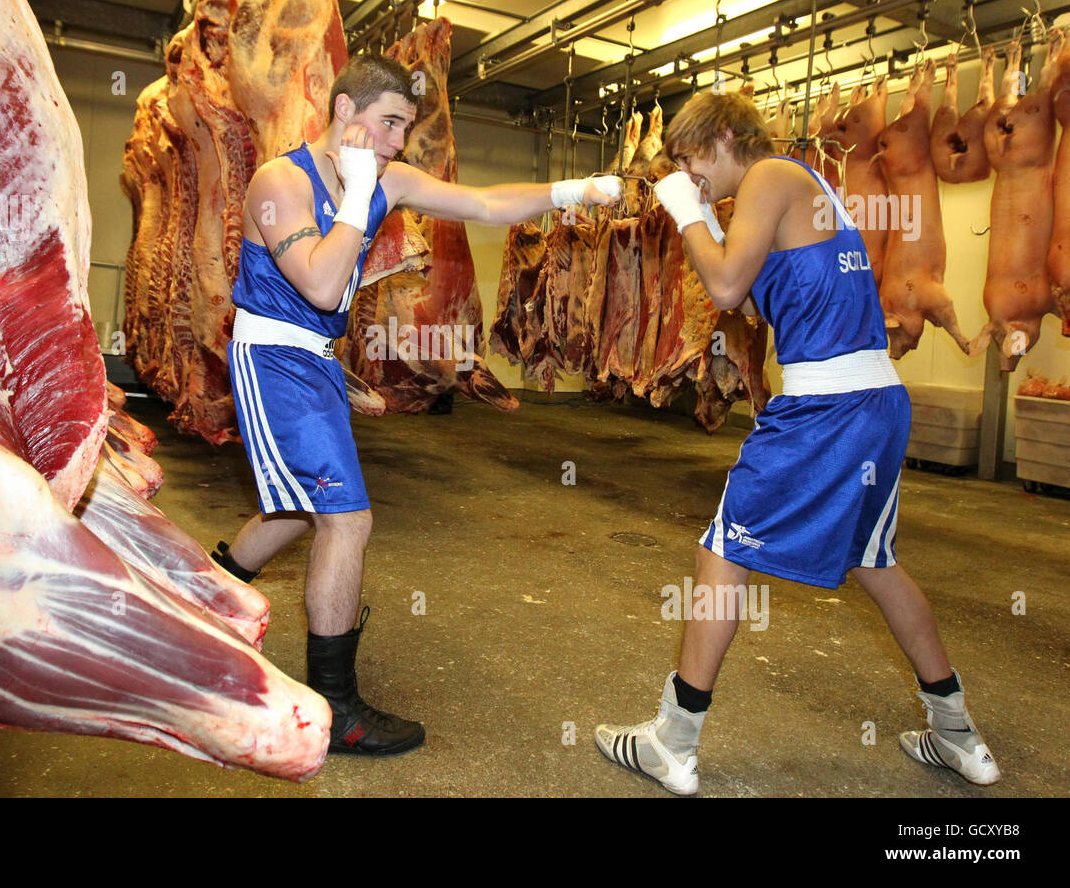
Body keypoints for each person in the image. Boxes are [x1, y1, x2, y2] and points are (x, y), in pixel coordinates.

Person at [211, 52, 620, 756]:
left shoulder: (387, 177)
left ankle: (209, 596)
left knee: (300, 504)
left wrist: (568, 189)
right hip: (272, 357)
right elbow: (318, 284)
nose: (399, 141)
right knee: (346, 517)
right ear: (345, 111)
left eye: (404, 127)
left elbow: (484, 204)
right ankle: (335, 708)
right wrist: (358, 193)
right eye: (391, 122)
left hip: (310, 357)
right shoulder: (280, 181)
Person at [594, 90, 1000, 794]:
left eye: (693, 162)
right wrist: (709, 229)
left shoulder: (769, 176)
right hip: (875, 399)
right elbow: (754, 299)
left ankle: (675, 738)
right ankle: (959, 734)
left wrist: (685, 212)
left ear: (724, 136)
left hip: (826, 408)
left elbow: (724, 288)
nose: (695, 180)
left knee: (721, 548)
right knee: (877, 562)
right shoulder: (806, 185)